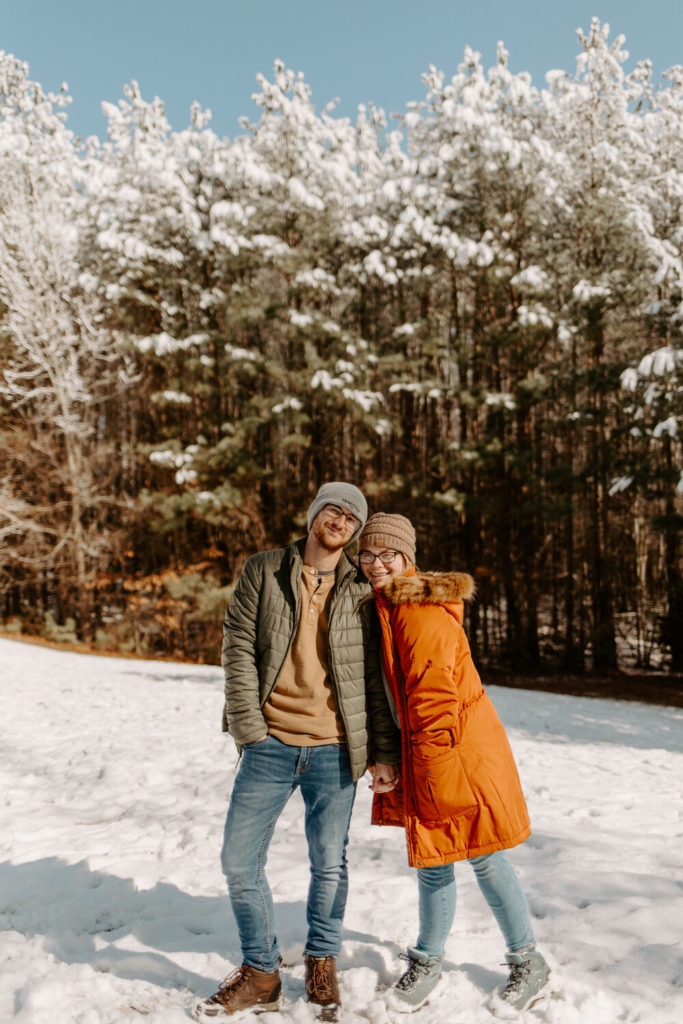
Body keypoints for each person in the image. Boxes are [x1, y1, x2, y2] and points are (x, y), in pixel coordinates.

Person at [193, 484, 400, 1023]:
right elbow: (237, 643)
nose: (341, 519)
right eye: (333, 508)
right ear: (314, 514)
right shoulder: (263, 568)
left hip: (336, 748)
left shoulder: (360, 588)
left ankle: (322, 959)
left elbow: (372, 683)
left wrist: (382, 751)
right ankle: (262, 972)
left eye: (352, 516)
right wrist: (249, 727)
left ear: (355, 533)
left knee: (329, 863)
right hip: (270, 743)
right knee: (239, 862)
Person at [358, 513, 550, 1019]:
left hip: (452, 752)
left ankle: (528, 961)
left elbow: (435, 695)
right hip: (435, 749)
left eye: (388, 555)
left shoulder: (416, 611)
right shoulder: (390, 605)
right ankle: (428, 959)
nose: (376, 564)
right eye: (368, 555)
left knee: (481, 856)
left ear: (407, 559)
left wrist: (432, 767)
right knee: (437, 858)